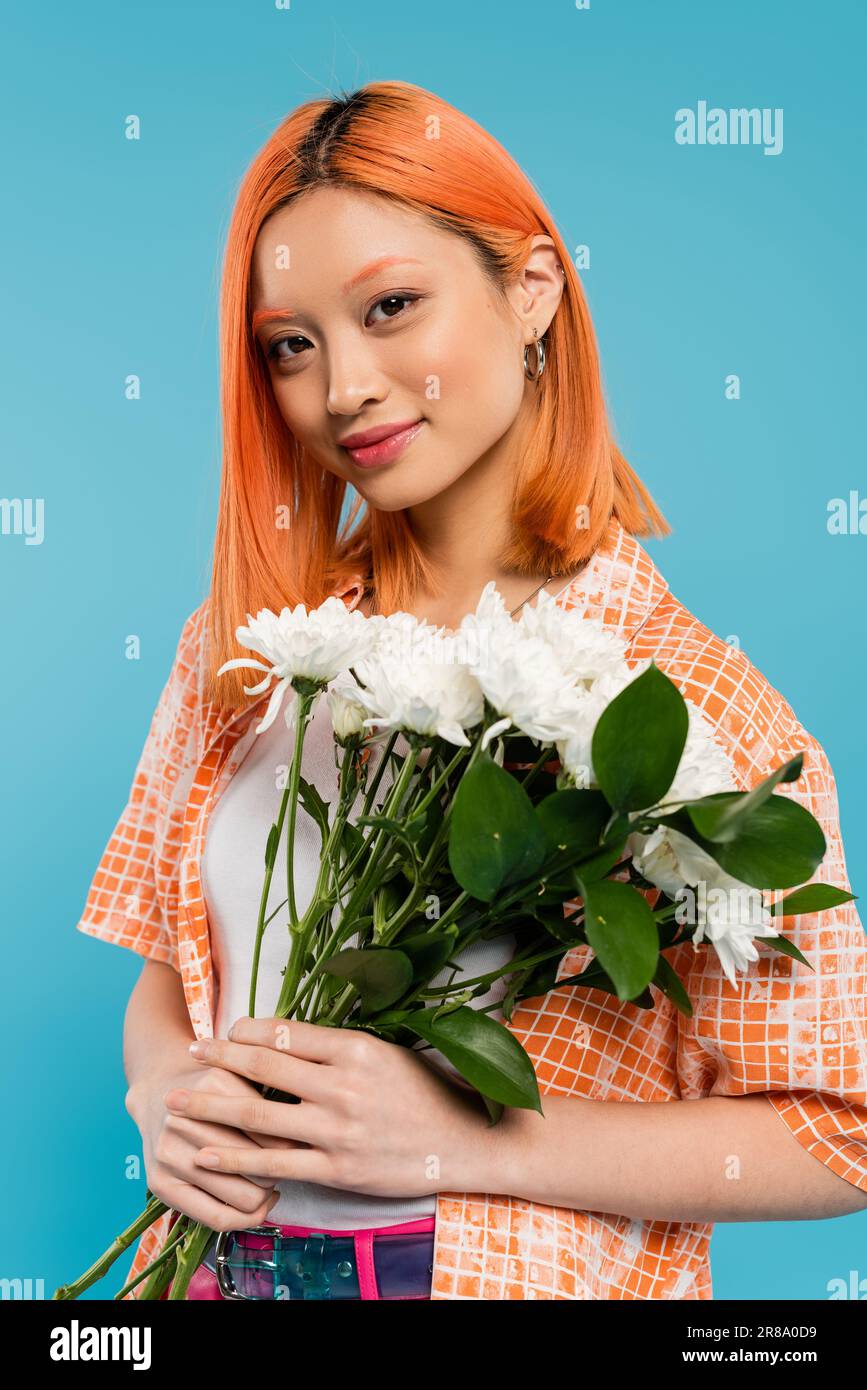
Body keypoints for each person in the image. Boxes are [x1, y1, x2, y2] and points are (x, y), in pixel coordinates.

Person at [75, 81, 867, 1301]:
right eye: (293, 344)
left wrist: (461, 1138)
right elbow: (168, 980)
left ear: (533, 289)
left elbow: (839, 1130)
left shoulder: (695, 712)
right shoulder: (246, 645)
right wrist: (160, 1089)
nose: (343, 387)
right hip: (207, 1277)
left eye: (392, 307)